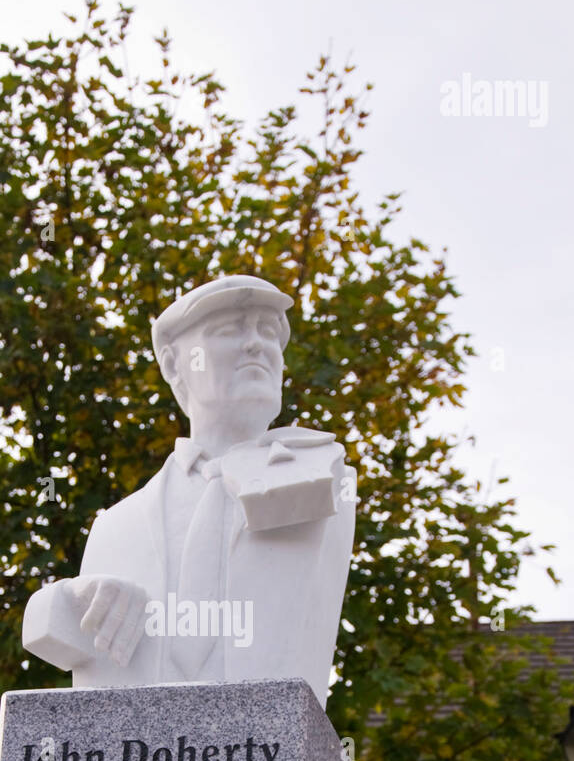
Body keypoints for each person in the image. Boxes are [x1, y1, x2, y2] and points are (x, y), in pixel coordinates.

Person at [23, 274, 356, 708]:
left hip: (263, 746)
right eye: (229, 330)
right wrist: (67, 602)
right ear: (175, 363)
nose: (258, 345)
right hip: (137, 754)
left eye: (269, 332)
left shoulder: (324, 483)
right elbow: (61, 641)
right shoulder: (115, 525)